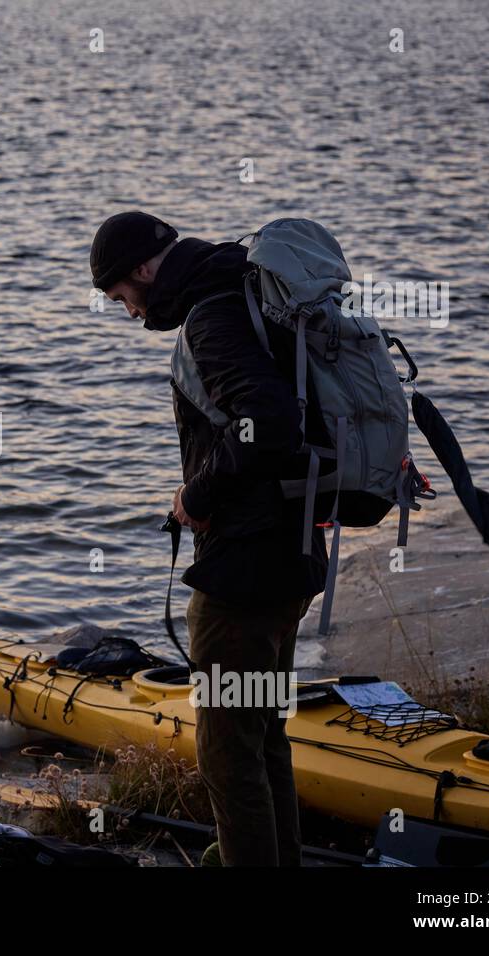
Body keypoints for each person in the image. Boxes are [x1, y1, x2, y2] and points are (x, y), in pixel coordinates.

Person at [90, 211, 328, 866]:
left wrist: (197, 496)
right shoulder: (241, 291)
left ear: (142, 269)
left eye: (121, 298)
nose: (129, 313)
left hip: (244, 579)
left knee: (228, 757)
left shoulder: (213, 316)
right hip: (292, 555)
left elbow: (270, 423)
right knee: (264, 741)